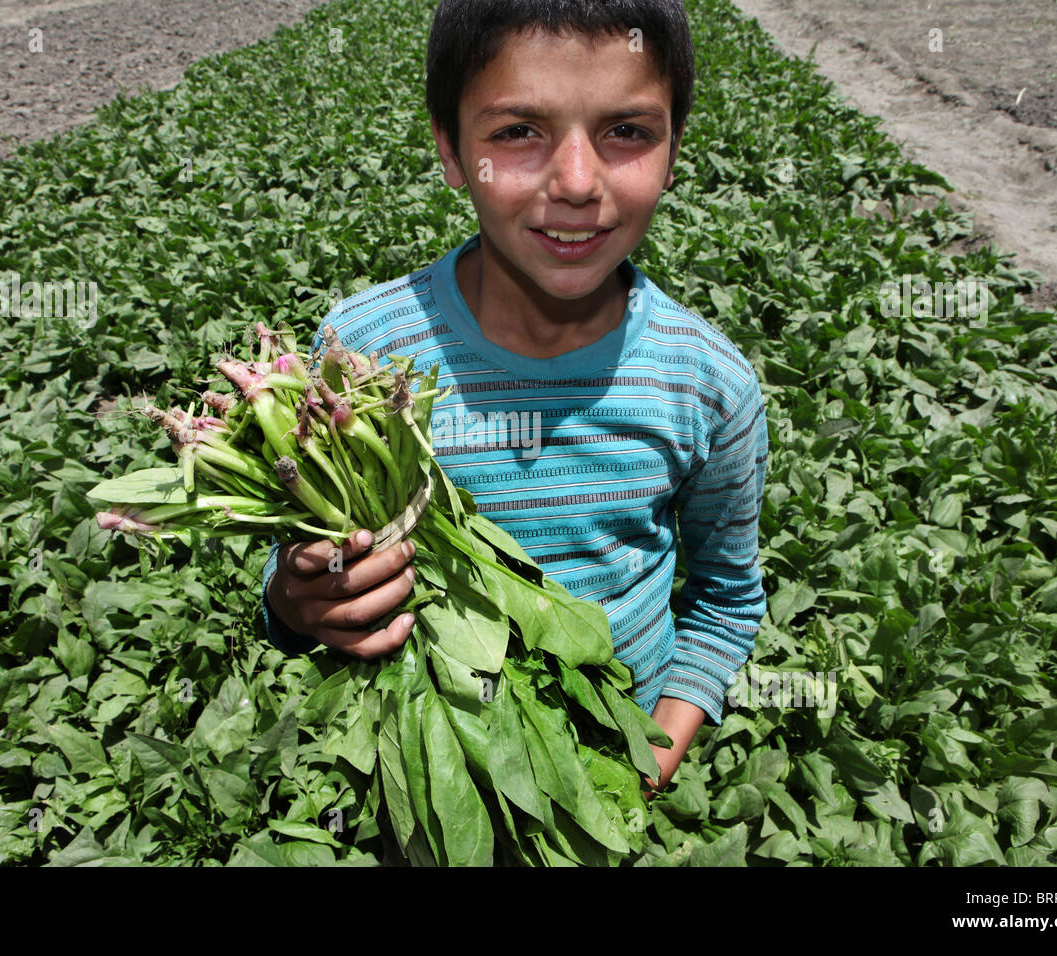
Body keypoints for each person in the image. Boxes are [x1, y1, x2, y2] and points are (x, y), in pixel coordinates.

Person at [258, 0, 768, 790]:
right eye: (517, 133)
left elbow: (726, 603)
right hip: (426, 777)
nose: (575, 182)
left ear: (672, 154)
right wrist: (300, 599)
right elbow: (300, 567)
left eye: (626, 132)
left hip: (613, 774)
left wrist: (651, 762)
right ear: (452, 151)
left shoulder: (708, 382)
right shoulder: (360, 353)